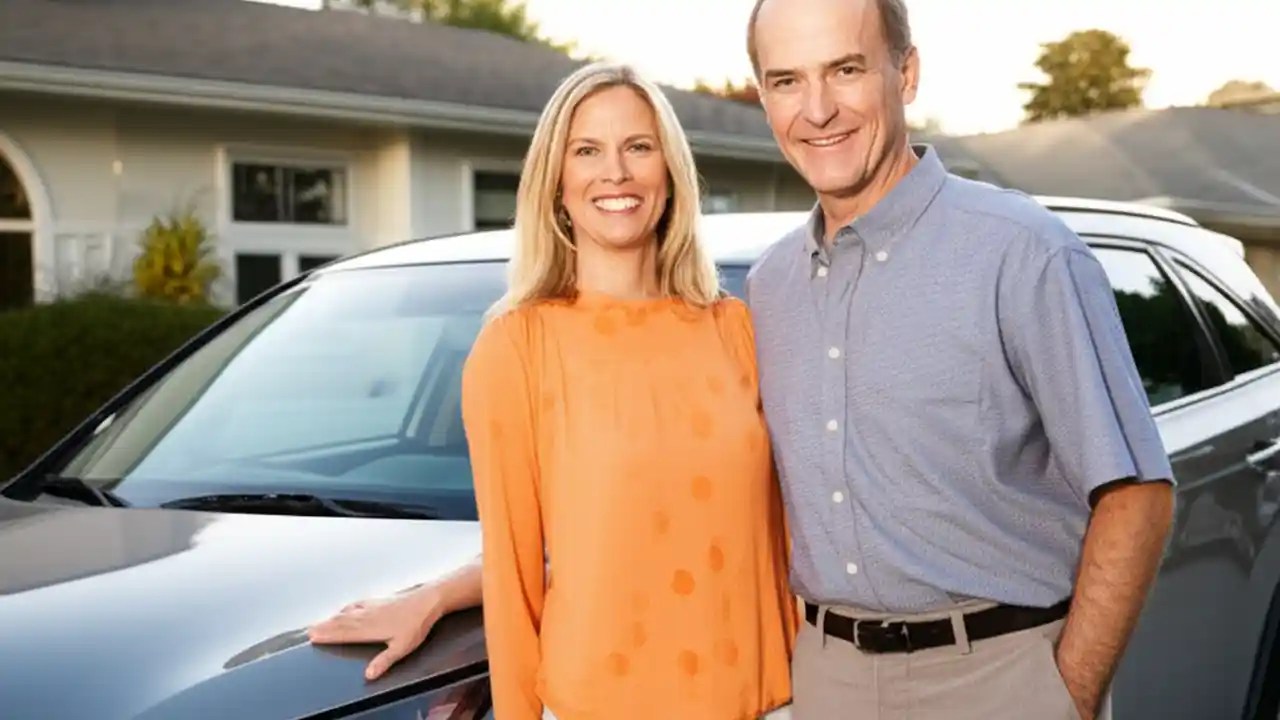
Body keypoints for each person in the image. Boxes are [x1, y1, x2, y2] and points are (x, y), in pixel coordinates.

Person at [311, 60, 797, 720]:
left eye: (638, 147)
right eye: (587, 150)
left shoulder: (736, 329)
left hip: (771, 704)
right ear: (557, 184)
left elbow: (782, 533)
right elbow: (517, 571)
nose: (616, 173)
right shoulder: (519, 346)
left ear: (670, 173)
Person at [741, 1, 1176, 719]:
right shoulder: (770, 285)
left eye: (845, 70)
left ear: (905, 74)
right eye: (786, 81)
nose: (817, 110)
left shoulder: (1023, 253)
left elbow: (1135, 495)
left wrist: (1064, 695)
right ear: (763, 98)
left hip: (1001, 678)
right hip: (828, 681)